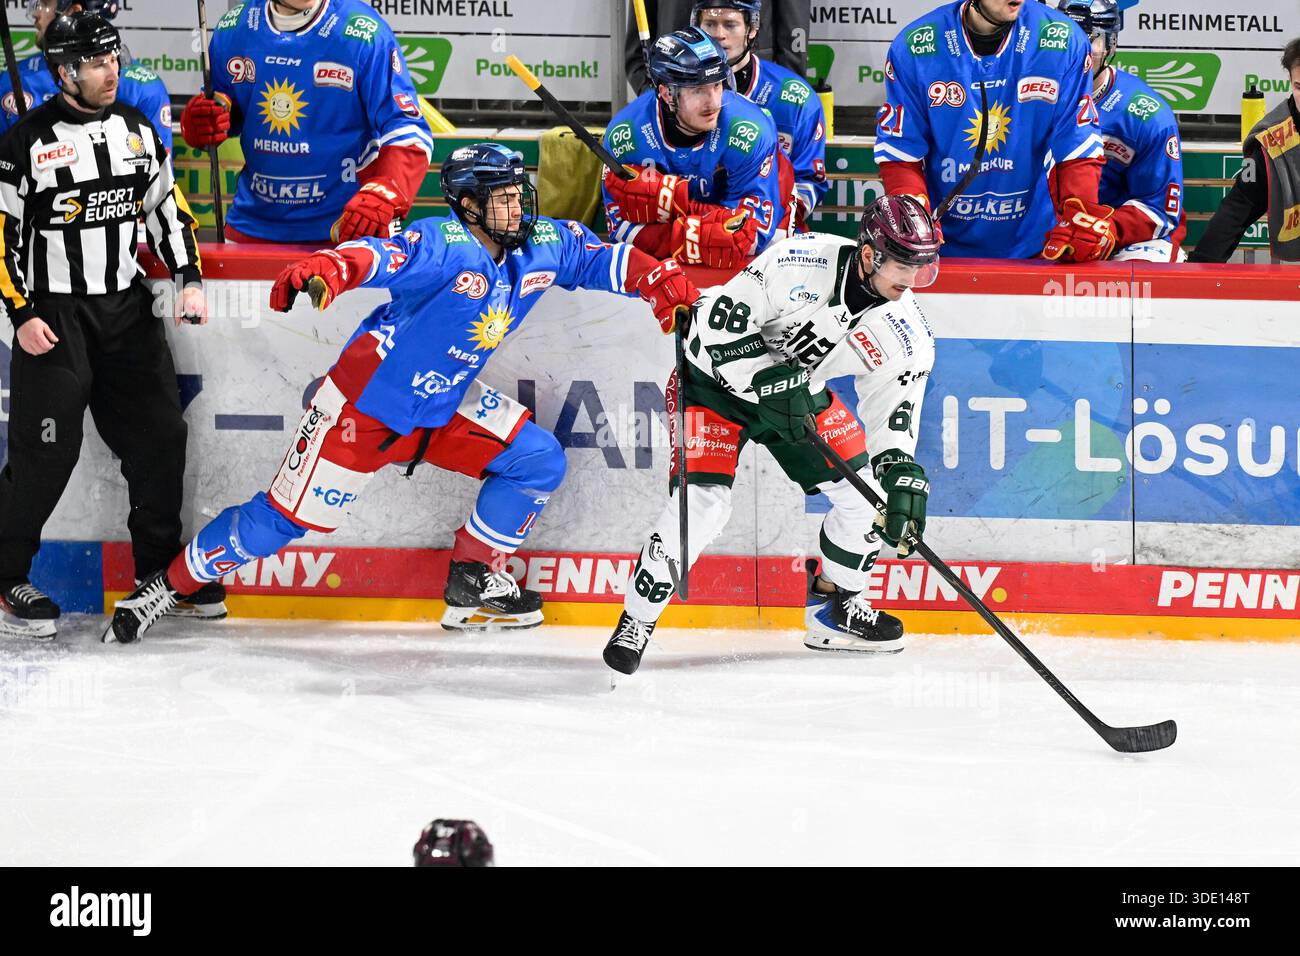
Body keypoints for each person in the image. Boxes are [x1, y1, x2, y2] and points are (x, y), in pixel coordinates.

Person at [103, 144, 701, 644]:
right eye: (504, 197)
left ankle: (471, 582)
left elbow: (603, 258)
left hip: (441, 409)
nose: (520, 206)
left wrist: (660, 279)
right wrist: (331, 269)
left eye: (521, 192)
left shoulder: (539, 242)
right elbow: (380, 255)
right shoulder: (445, 244)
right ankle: (167, 588)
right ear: (468, 205)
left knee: (536, 459)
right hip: (361, 414)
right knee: (278, 523)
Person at [603, 195, 941, 676]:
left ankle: (836, 608)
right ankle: (636, 619)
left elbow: (894, 418)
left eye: (922, 268)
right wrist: (764, 381)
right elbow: (719, 328)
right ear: (869, 255)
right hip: (712, 384)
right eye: (904, 265)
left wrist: (899, 470)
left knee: (866, 497)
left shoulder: (907, 334)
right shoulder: (798, 259)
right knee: (701, 507)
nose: (911, 283)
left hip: (797, 396)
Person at [0, 13, 217, 640]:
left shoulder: (136, 129)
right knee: (44, 455)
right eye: (96, 63)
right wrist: (23, 312)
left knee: (159, 439)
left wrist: (189, 277)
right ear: (64, 72)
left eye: (114, 58)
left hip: (125, 311)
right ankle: (7, 574)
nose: (111, 72)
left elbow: (166, 207)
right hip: (54, 318)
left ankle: (158, 574)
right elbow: (2, 239)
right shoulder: (25, 145)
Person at [177, 0, 433, 244]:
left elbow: (408, 128)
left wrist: (385, 190)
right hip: (252, 225)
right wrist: (206, 121)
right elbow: (225, 108)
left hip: (345, 229)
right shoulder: (234, 28)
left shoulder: (364, 32)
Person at [875, 0, 1112, 262]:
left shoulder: (1063, 40)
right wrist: (915, 222)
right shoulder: (916, 47)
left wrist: (1080, 214)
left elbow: (1076, 142)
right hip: (939, 252)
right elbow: (901, 152)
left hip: (1034, 247)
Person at [602, 27, 797, 272]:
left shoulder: (748, 130)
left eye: (717, 85)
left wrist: (675, 204)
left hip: (765, 247)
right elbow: (619, 230)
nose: (713, 102)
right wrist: (698, 236)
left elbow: (749, 235)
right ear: (666, 93)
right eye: (697, 90)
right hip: (671, 262)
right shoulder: (626, 135)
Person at [1057, 0, 1185, 261]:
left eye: (1090, 38)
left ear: (1110, 44)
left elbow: (1158, 207)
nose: (1078, 48)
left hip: (1117, 235)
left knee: (1153, 265)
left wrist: (1108, 230)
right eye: (1070, 36)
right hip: (1043, 227)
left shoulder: (1147, 116)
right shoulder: (1027, 93)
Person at [692, 2, 828, 227]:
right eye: (710, 24)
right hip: (695, 231)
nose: (719, 35)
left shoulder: (795, 97)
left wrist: (765, 227)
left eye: (730, 24)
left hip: (771, 237)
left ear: (752, 29)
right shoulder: (676, 95)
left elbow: (809, 182)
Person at [0, 0, 173, 156]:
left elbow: (158, 181)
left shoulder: (143, 88)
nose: (35, 13)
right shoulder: (15, 80)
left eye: (45, 3)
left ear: (73, 11)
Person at [1191, 38, 1300, 263]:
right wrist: (1200, 271)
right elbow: (1236, 209)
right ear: (1290, 81)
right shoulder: (1271, 140)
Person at [625, 0, 811, 94]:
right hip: (675, 93)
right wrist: (654, 95)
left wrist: (784, 94)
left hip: (754, 91)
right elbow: (637, 47)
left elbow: (794, 27)